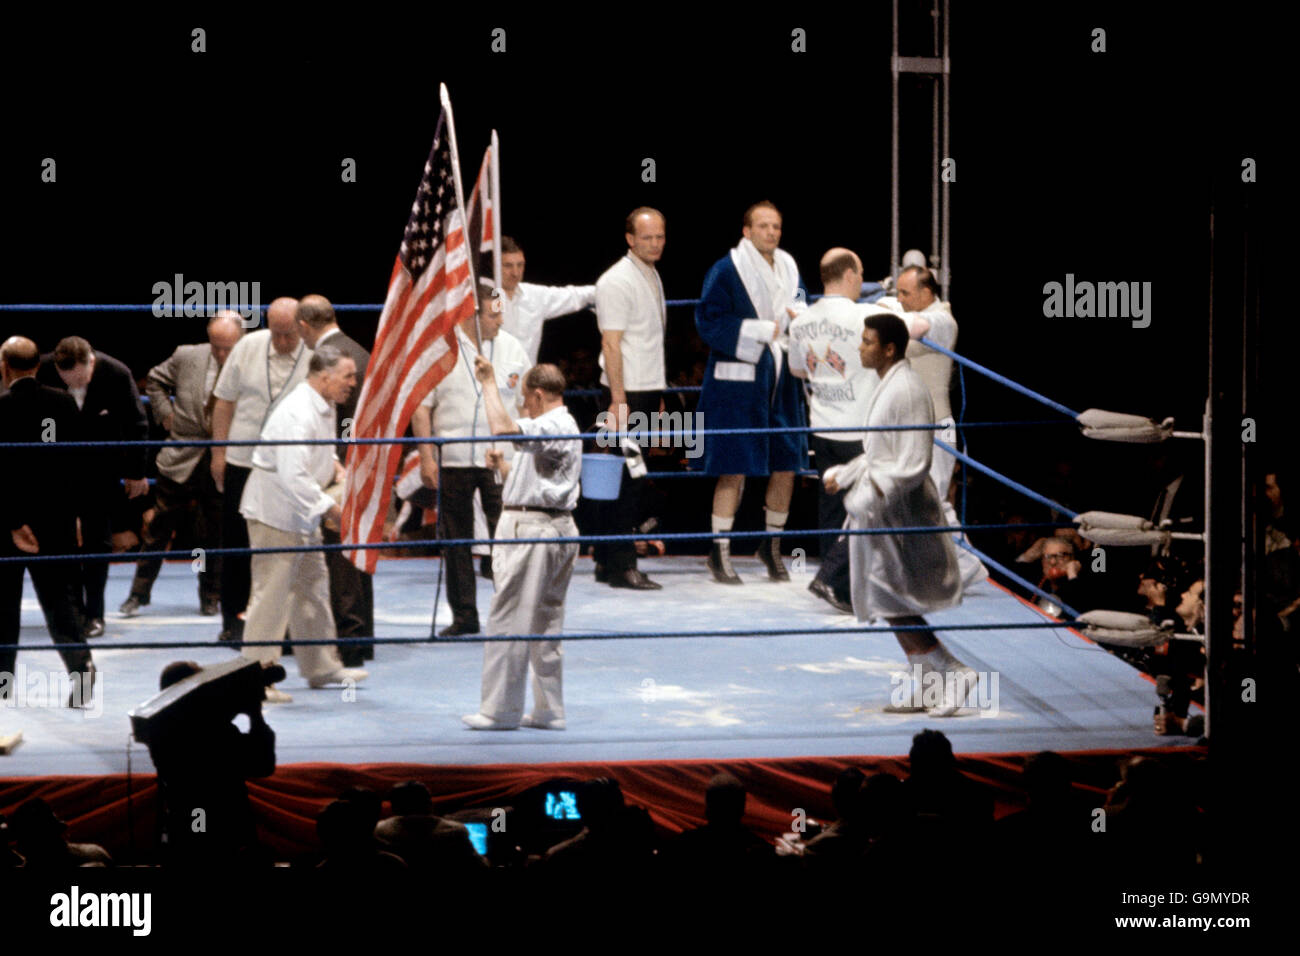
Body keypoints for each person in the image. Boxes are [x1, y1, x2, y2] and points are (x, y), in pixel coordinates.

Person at [823, 313, 970, 716]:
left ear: (888, 349)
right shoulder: (890, 384)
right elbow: (879, 453)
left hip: (899, 511)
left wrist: (868, 494)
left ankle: (951, 670)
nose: (860, 348)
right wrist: (848, 474)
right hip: (883, 508)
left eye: (867, 342)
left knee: (893, 594)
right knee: (884, 595)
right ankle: (926, 679)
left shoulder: (906, 390)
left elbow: (912, 463)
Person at [238, 344, 367, 702]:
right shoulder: (296, 412)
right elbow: (293, 474)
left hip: (300, 512)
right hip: (276, 513)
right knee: (272, 595)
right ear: (324, 377)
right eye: (348, 376)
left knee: (313, 588)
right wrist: (331, 509)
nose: (353, 382)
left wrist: (334, 468)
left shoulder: (323, 404)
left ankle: (321, 665)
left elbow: (315, 455)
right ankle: (256, 677)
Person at [461, 358, 581, 730]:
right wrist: (504, 470)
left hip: (534, 531)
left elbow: (501, 427)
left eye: (527, 400)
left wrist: (489, 382)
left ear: (539, 395)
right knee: (545, 622)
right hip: (551, 526)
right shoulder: (562, 426)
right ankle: (549, 710)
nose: (525, 407)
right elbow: (540, 484)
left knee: (509, 616)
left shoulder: (553, 423)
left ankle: (500, 711)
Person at [696, 201, 808, 584]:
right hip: (737, 381)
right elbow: (707, 321)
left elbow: (801, 304)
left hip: (782, 377)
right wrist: (760, 331)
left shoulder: (790, 267)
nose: (771, 233)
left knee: (787, 462)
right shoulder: (726, 270)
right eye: (763, 226)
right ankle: (719, 550)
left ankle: (771, 544)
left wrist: (798, 319)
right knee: (733, 463)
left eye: (776, 226)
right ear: (747, 231)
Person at [411, 289, 530, 636]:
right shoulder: (441, 350)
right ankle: (464, 616)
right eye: (494, 315)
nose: (501, 321)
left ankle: (510, 614)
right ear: (471, 317)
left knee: (505, 536)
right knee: (456, 540)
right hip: (455, 457)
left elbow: (523, 405)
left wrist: (522, 455)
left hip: (499, 457)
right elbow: (422, 407)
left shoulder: (512, 347)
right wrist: (426, 456)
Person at [120, 313, 244, 618]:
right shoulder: (187, 354)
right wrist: (165, 414)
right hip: (181, 456)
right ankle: (138, 593)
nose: (221, 353)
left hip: (222, 458)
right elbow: (155, 381)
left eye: (228, 347)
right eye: (216, 346)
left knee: (211, 535)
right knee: (159, 528)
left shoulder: (251, 360)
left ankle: (210, 595)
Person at [789, 248, 892, 613]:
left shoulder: (801, 321)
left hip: (823, 424)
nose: (862, 281)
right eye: (861, 273)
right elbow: (912, 330)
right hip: (858, 428)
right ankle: (833, 579)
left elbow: (799, 370)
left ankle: (840, 583)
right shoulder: (868, 315)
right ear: (849, 275)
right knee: (868, 508)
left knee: (833, 505)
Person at [0, 337, 96, 709]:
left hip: (10, 525)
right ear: (37, 366)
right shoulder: (62, 403)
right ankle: (82, 671)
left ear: (5, 367)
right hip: (54, 521)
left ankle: (2, 684)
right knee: (61, 604)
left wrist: (13, 522)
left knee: (3, 607)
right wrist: (73, 517)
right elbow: (76, 466)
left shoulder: (2, 409)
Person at [879, 264, 988, 589]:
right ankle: (953, 563)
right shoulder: (915, 310)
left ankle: (966, 563)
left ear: (927, 293)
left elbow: (910, 326)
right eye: (897, 291)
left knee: (932, 500)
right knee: (911, 500)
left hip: (934, 427)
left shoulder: (942, 319)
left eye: (905, 292)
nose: (900, 298)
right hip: (914, 425)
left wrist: (882, 308)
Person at [209, 297, 309, 643]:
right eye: (277, 334)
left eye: (289, 335)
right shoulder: (249, 346)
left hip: (289, 466)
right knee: (237, 543)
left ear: (302, 327)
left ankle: (286, 627)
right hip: (243, 461)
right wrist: (218, 454)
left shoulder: (313, 353)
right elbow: (224, 403)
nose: (282, 342)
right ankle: (234, 621)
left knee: (289, 544)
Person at [38, 336, 150, 637]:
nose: (75, 386)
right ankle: (72, 611)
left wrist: (137, 472)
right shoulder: (45, 369)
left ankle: (95, 614)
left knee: (97, 541)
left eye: (80, 380)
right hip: (57, 469)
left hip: (100, 470)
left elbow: (137, 424)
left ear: (90, 362)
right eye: (68, 381)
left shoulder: (115, 373)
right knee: (62, 540)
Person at [293, 294, 375, 666]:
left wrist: (335, 462)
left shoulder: (327, 359)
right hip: (358, 462)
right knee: (353, 552)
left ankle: (350, 640)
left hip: (341, 466)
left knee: (338, 554)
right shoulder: (358, 350)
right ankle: (361, 637)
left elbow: (341, 419)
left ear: (304, 326)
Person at [590, 208, 667, 590]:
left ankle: (606, 560)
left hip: (645, 390)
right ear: (629, 238)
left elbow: (647, 342)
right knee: (627, 479)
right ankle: (622, 565)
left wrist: (659, 393)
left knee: (624, 476)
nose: (655, 243)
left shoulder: (649, 273)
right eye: (648, 237)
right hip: (626, 394)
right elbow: (611, 342)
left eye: (660, 237)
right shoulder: (617, 281)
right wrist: (619, 401)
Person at [145, 660, 276, 866]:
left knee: (197, 843)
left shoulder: (160, 728)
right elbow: (262, 764)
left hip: (186, 815)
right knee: (204, 845)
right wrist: (255, 714)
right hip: (210, 817)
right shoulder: (211, 732)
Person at [497, 236, 597, 366]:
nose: (515, 272)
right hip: (488, 380)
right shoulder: (482, 298)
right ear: (495, 265)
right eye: (508, 266)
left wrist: (617, 287)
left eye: (520, 265)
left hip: (526, 381)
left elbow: (576, 295)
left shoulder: (534, 295)